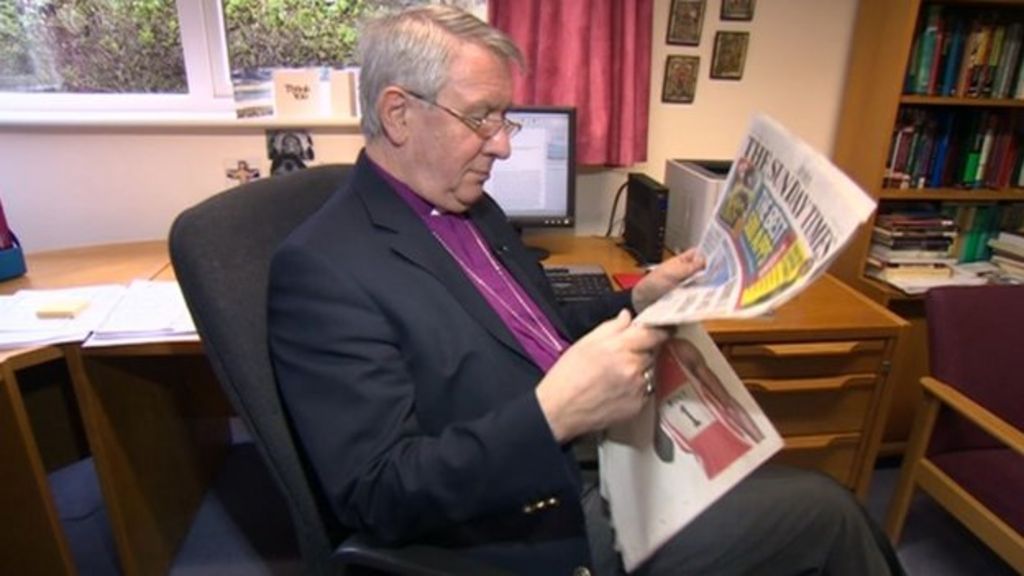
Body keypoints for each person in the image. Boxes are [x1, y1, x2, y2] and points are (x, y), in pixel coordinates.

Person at [268, 6, 904, 575]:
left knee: (796, 499)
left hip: (609, 453)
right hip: (528, 510)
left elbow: (535, 324)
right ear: (399, 114)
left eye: (505, 117)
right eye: (483, 116)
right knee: (826, 514)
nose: (505, 143)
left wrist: (638, 299)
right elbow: (379, 492)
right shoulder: (321, 270)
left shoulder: (471, 206)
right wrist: (553, 416)